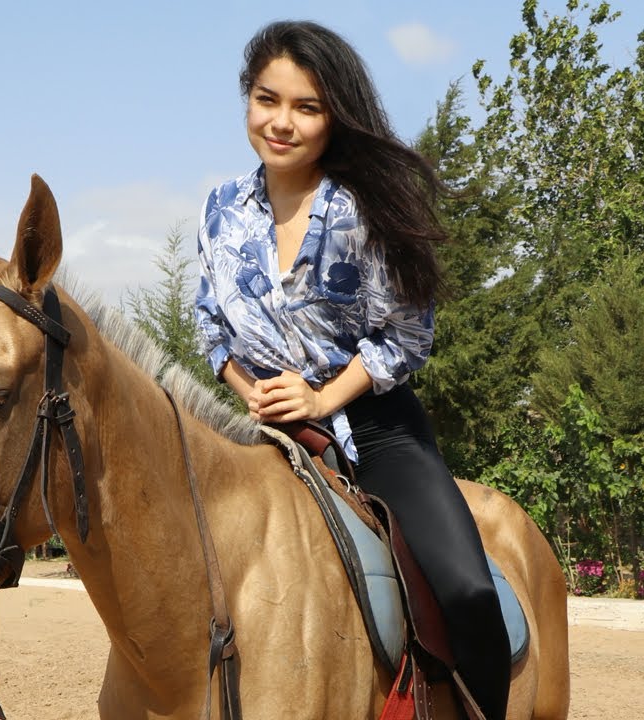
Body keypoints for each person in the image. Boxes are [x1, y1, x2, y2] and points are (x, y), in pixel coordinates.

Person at [193, 20, 510, 719]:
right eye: (267, 100)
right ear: (248, 100)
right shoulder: (220, 210)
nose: (281, 123)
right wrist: (254, 395)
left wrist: (319, 400)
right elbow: (210, 326)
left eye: (306, 108)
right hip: (262, 430)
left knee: (467, 591)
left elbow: (408, 335)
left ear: (335, 117)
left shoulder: (363, 209)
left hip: (374, 428)